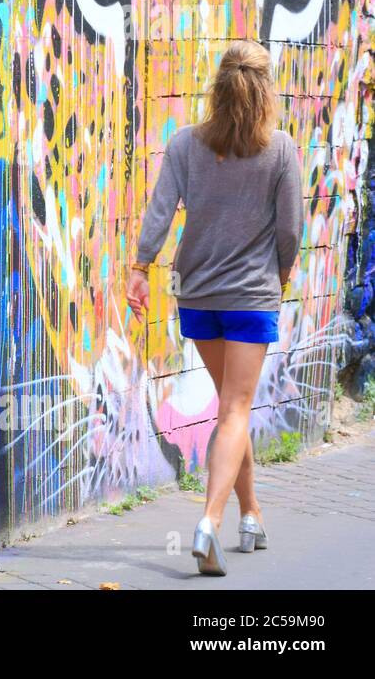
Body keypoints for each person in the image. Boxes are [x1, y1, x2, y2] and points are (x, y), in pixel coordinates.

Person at [125, 40, 304, 576]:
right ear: (265, 91)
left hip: (197, 296)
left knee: (232, 407)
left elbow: (159, 212)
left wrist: (140, 267)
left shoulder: (184, 144)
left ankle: (251, 514)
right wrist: (283, 272)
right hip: (251, 298)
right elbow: (291, 229)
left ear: (217, 89)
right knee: (236, 410)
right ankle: (209, 523)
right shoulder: (281, 150)